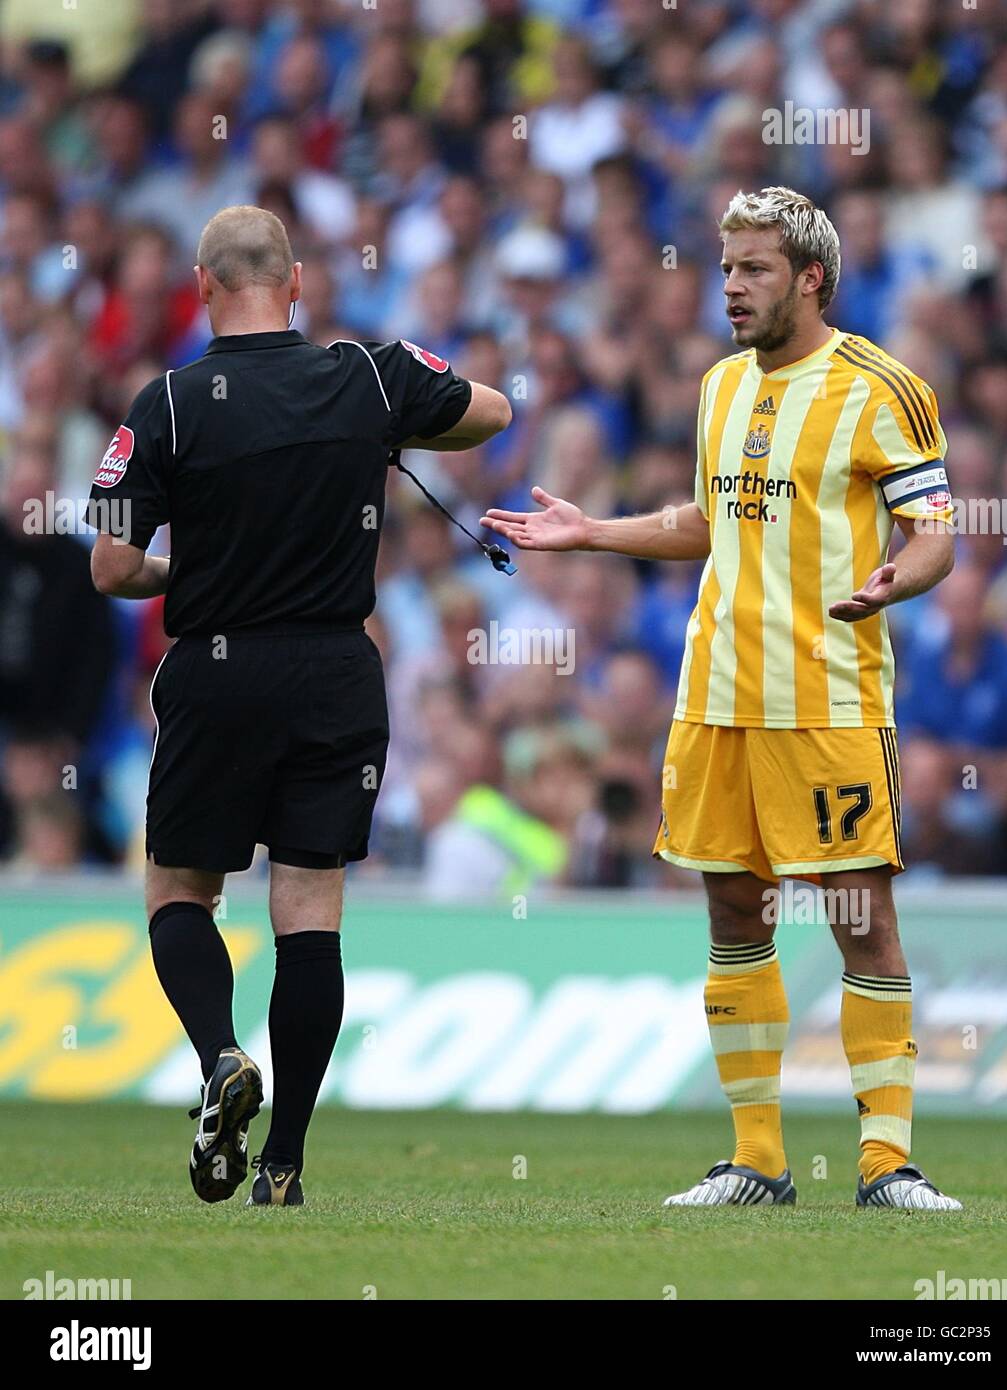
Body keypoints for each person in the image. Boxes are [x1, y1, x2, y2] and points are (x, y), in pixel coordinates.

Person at [482, 186, 962, 1211]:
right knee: (732, 912)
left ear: (811, 277)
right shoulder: (718, 387)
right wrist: (592, 531)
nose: (731, 286)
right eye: (725, 266)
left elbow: (935, 533)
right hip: (716, 699)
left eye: (752, 269)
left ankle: (888, 1164)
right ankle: (757, 1161)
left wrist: (895, 581)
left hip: (828, 699)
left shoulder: (884, 387)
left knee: (859, 916)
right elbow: (711, 521)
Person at [87, 205, 511, 1207]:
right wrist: (409, 396)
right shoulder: (369, 375)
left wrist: (184, 569)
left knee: (180, 893)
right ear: (298, 280)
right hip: (336, 672)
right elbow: (491, 410)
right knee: (309, 914)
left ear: (202, 284)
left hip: (218, 673)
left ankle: (221, 1055)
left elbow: (108, 564)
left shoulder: (165, 406)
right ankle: (286, 1162)